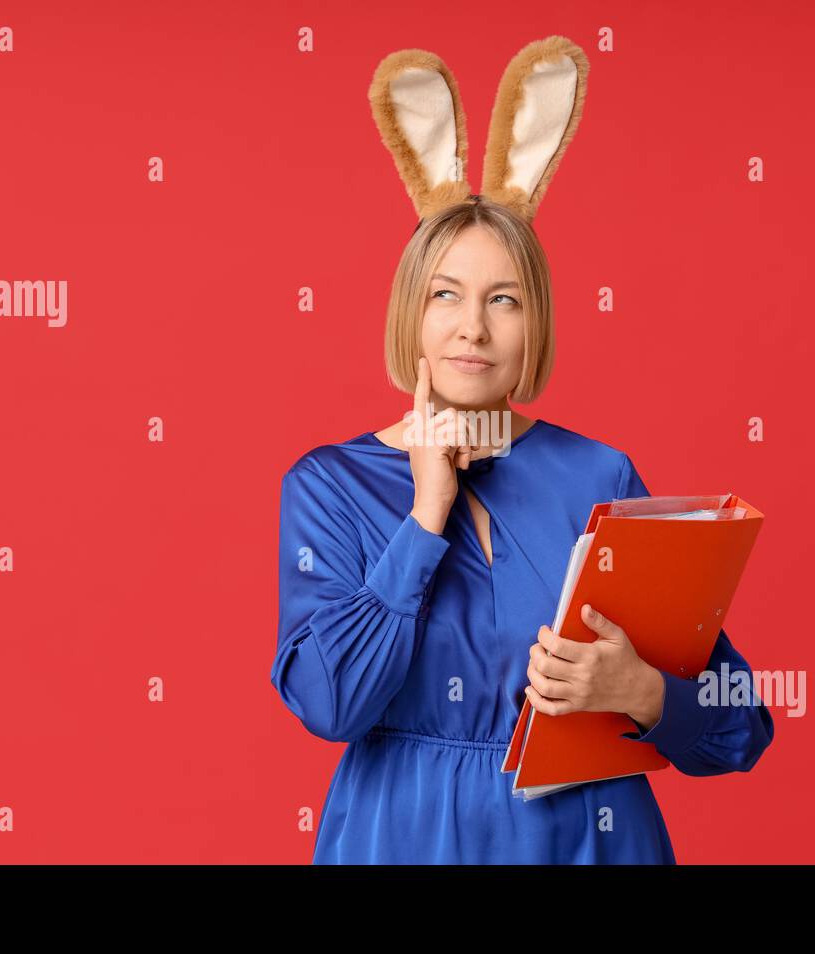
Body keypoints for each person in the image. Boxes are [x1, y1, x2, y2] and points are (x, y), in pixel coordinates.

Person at [271, 36, 774, 863]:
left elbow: (739, 727)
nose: (473, 327)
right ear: (411, 313)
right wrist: (424, 518)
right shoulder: (330, 486)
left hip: (586, 840)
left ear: (534, 322)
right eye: (446, 296)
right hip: (400, 839)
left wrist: (641, 692)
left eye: (503, 299)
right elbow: (332, 706)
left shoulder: (598, 476)